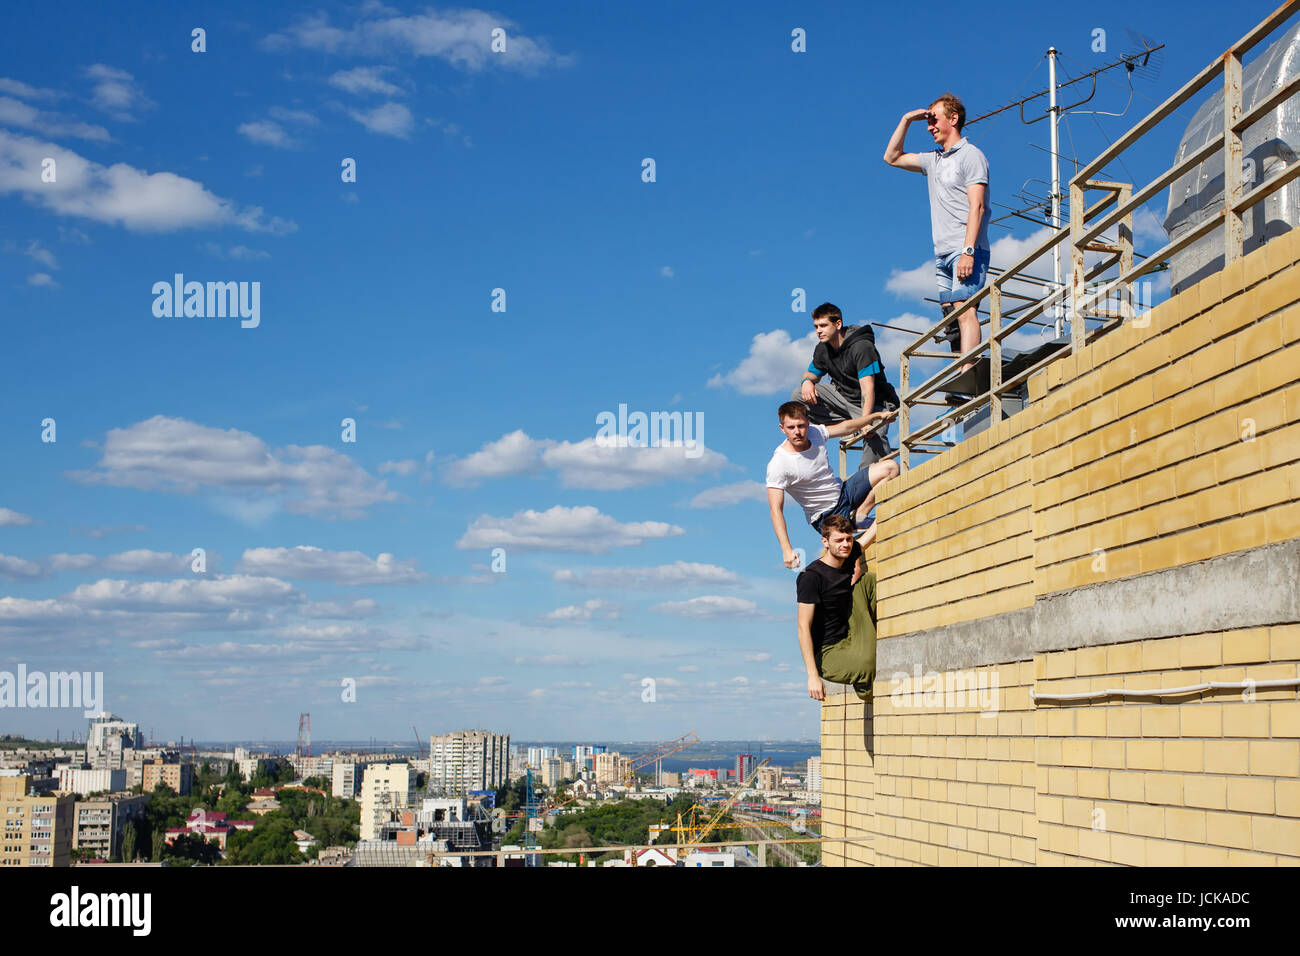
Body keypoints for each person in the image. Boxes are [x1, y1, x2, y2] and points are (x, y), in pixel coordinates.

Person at [883, 93, 990, 375]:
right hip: (942, 251)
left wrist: (968, 250)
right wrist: (907, 119)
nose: (929, 127)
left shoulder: (971, 155)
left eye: (934, 120)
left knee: (964, 309)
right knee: (951, 317)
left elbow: (977, 206)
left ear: (953, 119)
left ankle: (969, 372)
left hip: (965, 248)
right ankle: (961, 375)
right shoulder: (933, 160)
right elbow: (891, 157)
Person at [766, 400, 898, 568]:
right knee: (851, 564)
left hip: (844, 492)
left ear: (808, 422)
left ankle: (860, 516)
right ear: (782, 428)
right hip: (825, 515)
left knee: (891, 468)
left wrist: (876, 416)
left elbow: (846, 427)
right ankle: (857, 544)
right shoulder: (779, 464)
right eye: (791, 428)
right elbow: (775, 509)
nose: (797, 432)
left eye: (801, 426)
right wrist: (786, 549)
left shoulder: (815, 432)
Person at [791, 302, 901, 467]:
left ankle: (868, 481)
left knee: (872, 434)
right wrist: (807, 381)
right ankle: (847, 427)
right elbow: (810, 374)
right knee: (799, 395)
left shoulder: (862, 347)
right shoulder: (823, 349)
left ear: (838, 324)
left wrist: (865, 421)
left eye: (823, 325)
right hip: (845, 401)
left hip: (876, 404)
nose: (818, 331)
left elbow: (868, 389)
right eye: (816, 326)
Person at [796, 514, 878, 702]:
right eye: (839, 540)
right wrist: (812, 676)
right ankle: (867, 691)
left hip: (848, 628)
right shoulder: (811, 577)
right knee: (866, 665)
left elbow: (869, 535)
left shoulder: (847, 557)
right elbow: (803, 627)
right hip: (826, 651)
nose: (845, 544)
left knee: (868, 581)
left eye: (848, 539)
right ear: (825, 542)